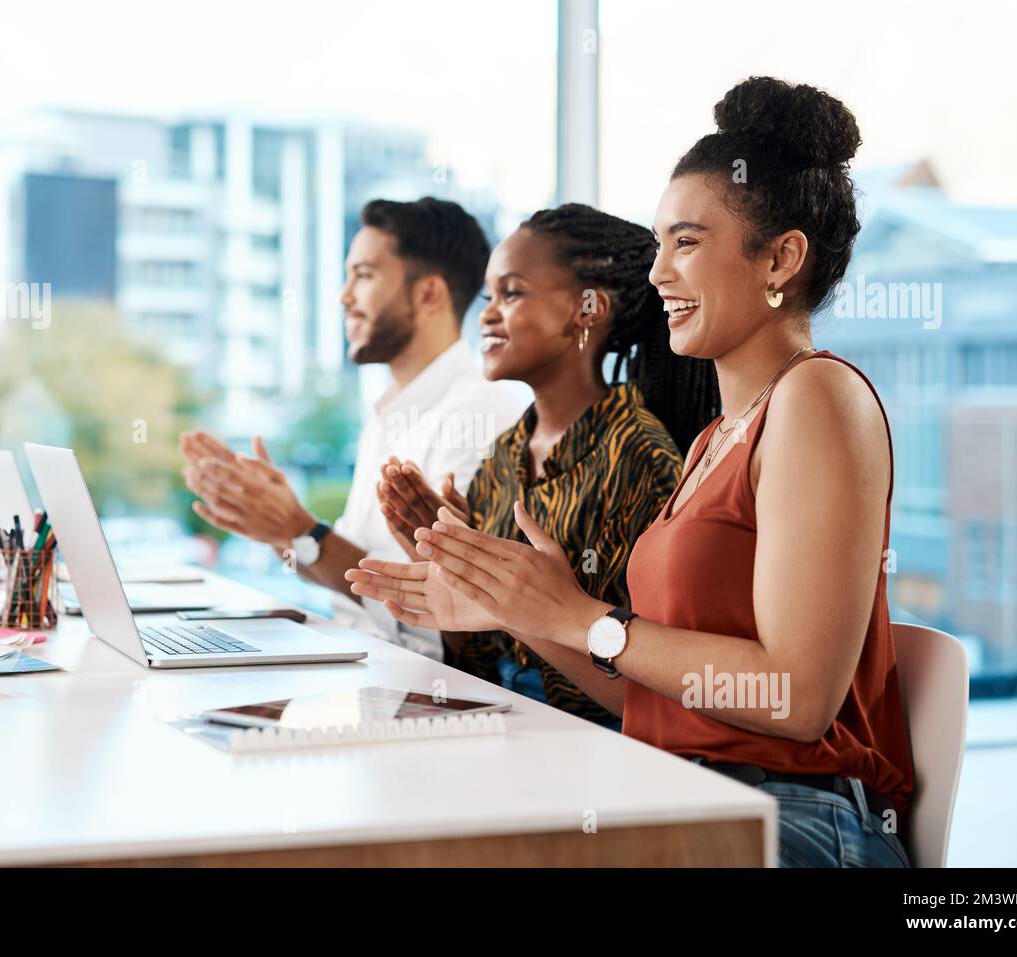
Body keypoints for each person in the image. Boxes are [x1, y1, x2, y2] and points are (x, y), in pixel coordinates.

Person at [347, 77, 916, 867]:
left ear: (782, 256)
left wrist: (585, 618)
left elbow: (795, 695)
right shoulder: (712, 440)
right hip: (681, 786)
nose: (657, 274)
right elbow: (649, 697)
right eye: (658, 246)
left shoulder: (819, 397)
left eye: (686, 242)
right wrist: (522, 609)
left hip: (789, 820)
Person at [368, 204, 718, 728]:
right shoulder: (505, 456)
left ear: (588, 309)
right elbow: (481, 662)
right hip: (506, 727)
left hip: (598, 746)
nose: (486, 314)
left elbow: (649, 692)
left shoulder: (640, 457)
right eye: (489, 296)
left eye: (511, 293)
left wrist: (512, 603)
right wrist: (456, 572)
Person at [181, 197, 523, 659]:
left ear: (429, 293)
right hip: (363, 660)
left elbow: (446, 615)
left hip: (422, 683)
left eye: (363, 275)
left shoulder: (482, 418)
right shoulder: (387, 415)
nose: (344, 297)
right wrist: (278, 528)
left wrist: (303, 530)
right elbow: (347, 571)